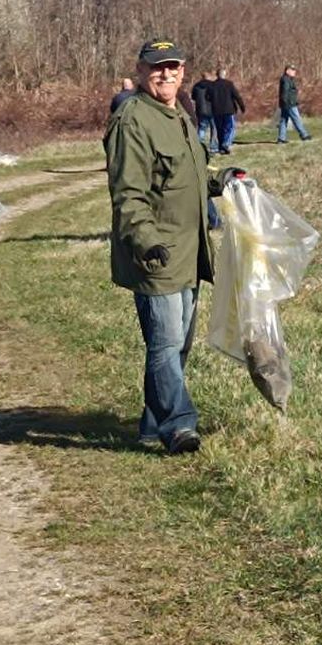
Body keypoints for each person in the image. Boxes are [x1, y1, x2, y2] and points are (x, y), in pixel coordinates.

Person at [104, 39, 240, 455]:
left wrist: (221, 180)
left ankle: (152, 424)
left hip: (188, 252)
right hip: (156, 253)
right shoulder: (132, 120)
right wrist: (145, 239)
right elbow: (128, 193)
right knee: (164, 345)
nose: (165, 74)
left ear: (182, 72)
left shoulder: (178, 113)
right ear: (141, 72)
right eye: (156, 67)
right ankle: (179, 424)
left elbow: (186, 174)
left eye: (173, 67)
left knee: (177, 346)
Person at [208, 66, 246, 155]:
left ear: (217, 75)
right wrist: (242, 107)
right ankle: (226, 143)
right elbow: (237, 96)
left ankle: (221, 147)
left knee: (220, 129)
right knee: (230, 128)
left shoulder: (212, 85)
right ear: (224, 75)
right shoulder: (229, 84)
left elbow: (207, 97)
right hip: (228, 110)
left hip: (216, 111)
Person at [277, 63, 314, 143]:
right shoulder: (286, 80)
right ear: (287, 71)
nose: (294, 72)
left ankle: (281, 138)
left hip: (285, 103)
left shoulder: (287, 79)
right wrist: (286, 102)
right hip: (289, 104)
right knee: (296, 119)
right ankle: (304, 135)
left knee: (284, 120)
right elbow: (285, 92)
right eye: (292, 70)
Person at [190, 69, 216, 153]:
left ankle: (199, 145)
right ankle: (213, 146)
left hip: (200, 109)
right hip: (212, 109)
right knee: (214, 128)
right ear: (209, 77)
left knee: (202, 128)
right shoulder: (213, 85)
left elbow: (193, 97)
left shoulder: (196, 86)